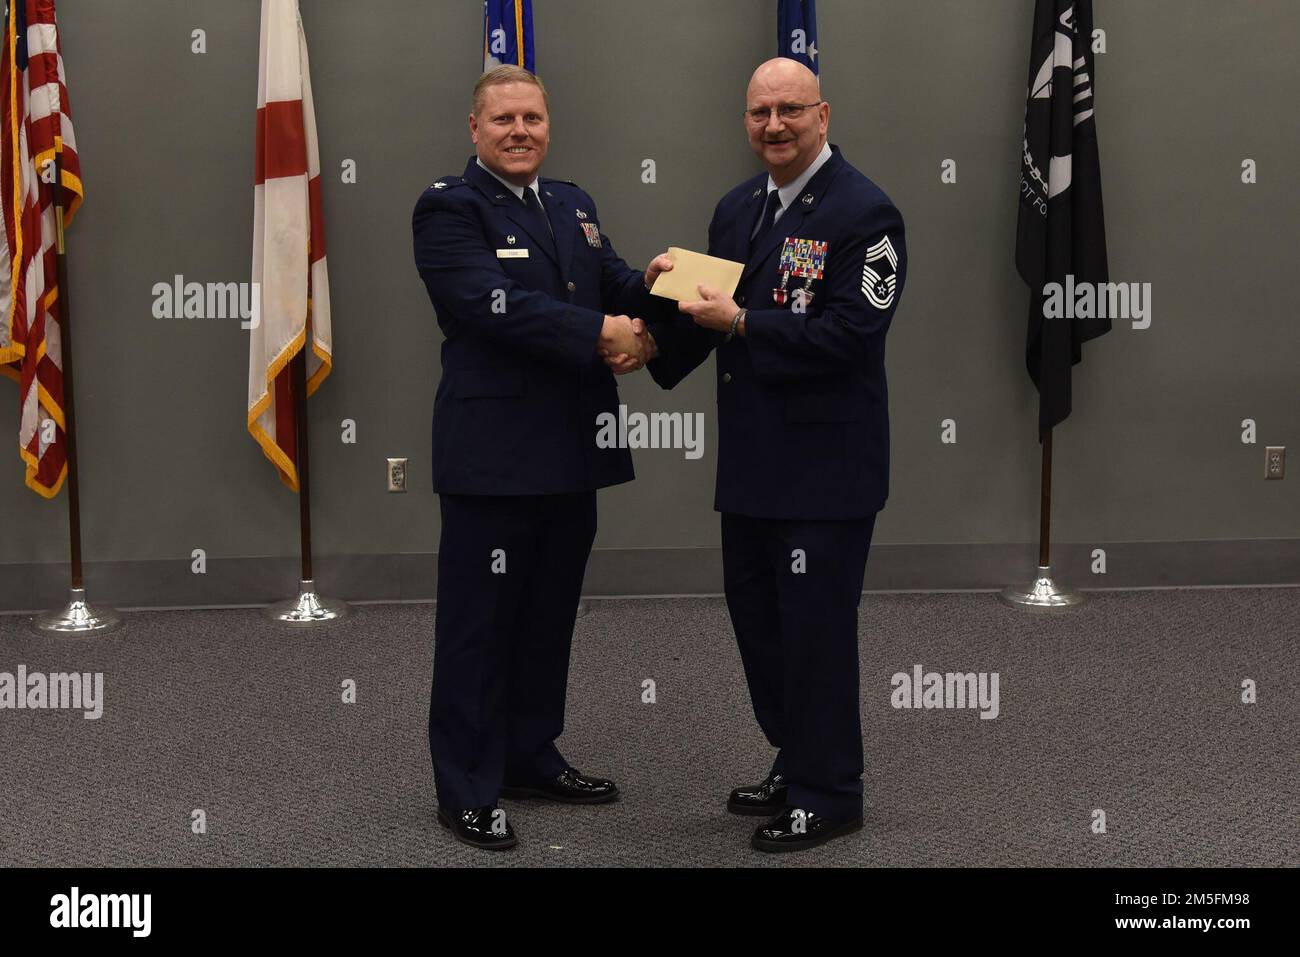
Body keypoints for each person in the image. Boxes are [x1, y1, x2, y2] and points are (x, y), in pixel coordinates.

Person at [631, 57, 908, 853]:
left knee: (816, 629)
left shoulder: (867, 214)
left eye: (790, 110)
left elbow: (854, 336)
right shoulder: (737, 208)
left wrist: (747, 324)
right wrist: (649, 313)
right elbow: (703, 320)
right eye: (759, 113)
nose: (774, 126)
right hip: (752, 469)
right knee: (762, 625)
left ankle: (831, 792)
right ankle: (797, 757)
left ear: (824, 116)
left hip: (826, 472)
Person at [412, 65, 661, 851]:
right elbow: (493, 305)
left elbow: (609, 280)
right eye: (504, 120)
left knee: (548, 616)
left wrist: (658, 290)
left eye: (533, 119)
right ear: (475, 131)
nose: (520, 132)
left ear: (549, 126)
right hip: (492, 459)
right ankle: (467, 785)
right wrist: (599, 334)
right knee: (479, 626)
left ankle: (529, 752)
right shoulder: (448, 207)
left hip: (571, 452)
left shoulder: (571, 203)